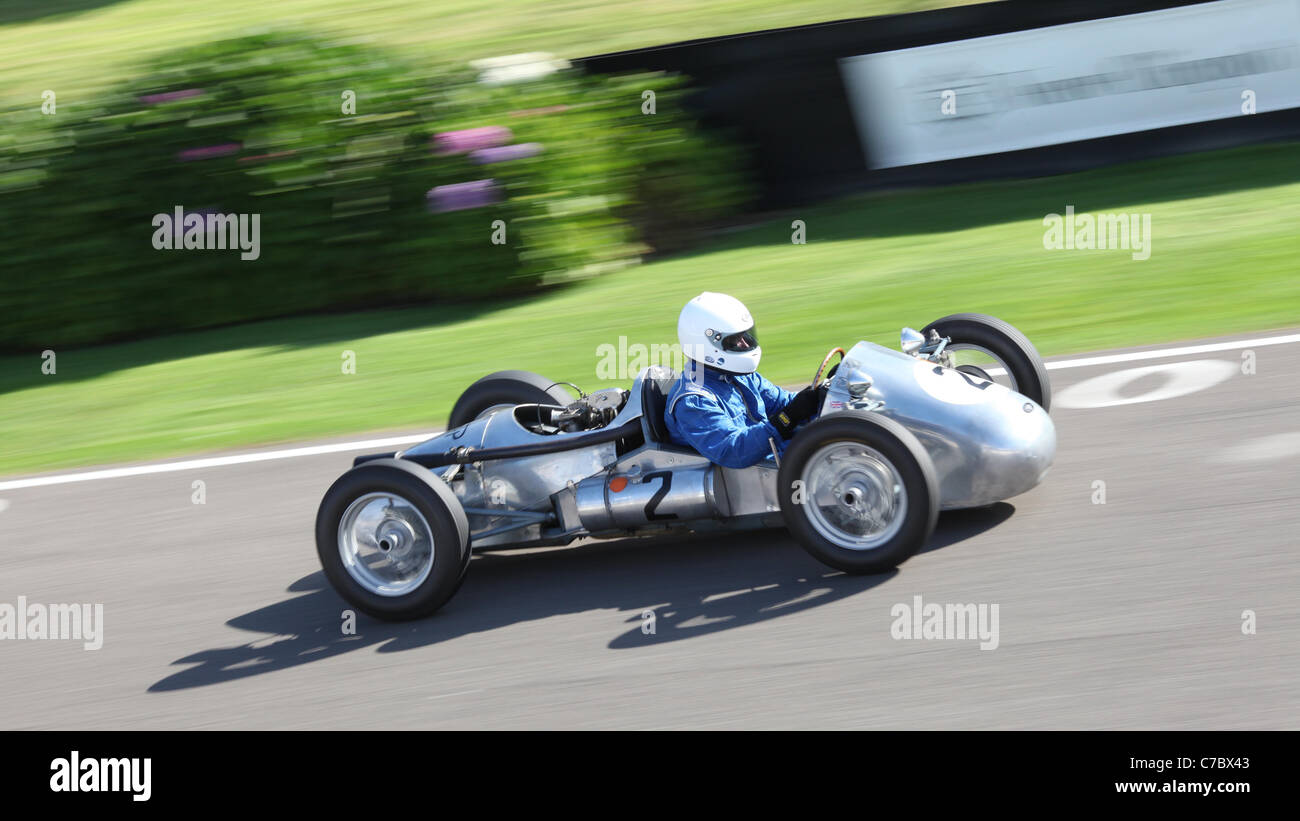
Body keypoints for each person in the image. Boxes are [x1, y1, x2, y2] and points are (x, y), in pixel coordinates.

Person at [663, 292, 821, 468]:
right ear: (707, 344)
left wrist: (822, 394)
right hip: (750, 481)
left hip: (776, 462)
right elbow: (734, 451)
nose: (745, 344)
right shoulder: (694, 402)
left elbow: (787, 404)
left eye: (745, 336)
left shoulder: (740, 376)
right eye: (735, 340)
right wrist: (786, 419)